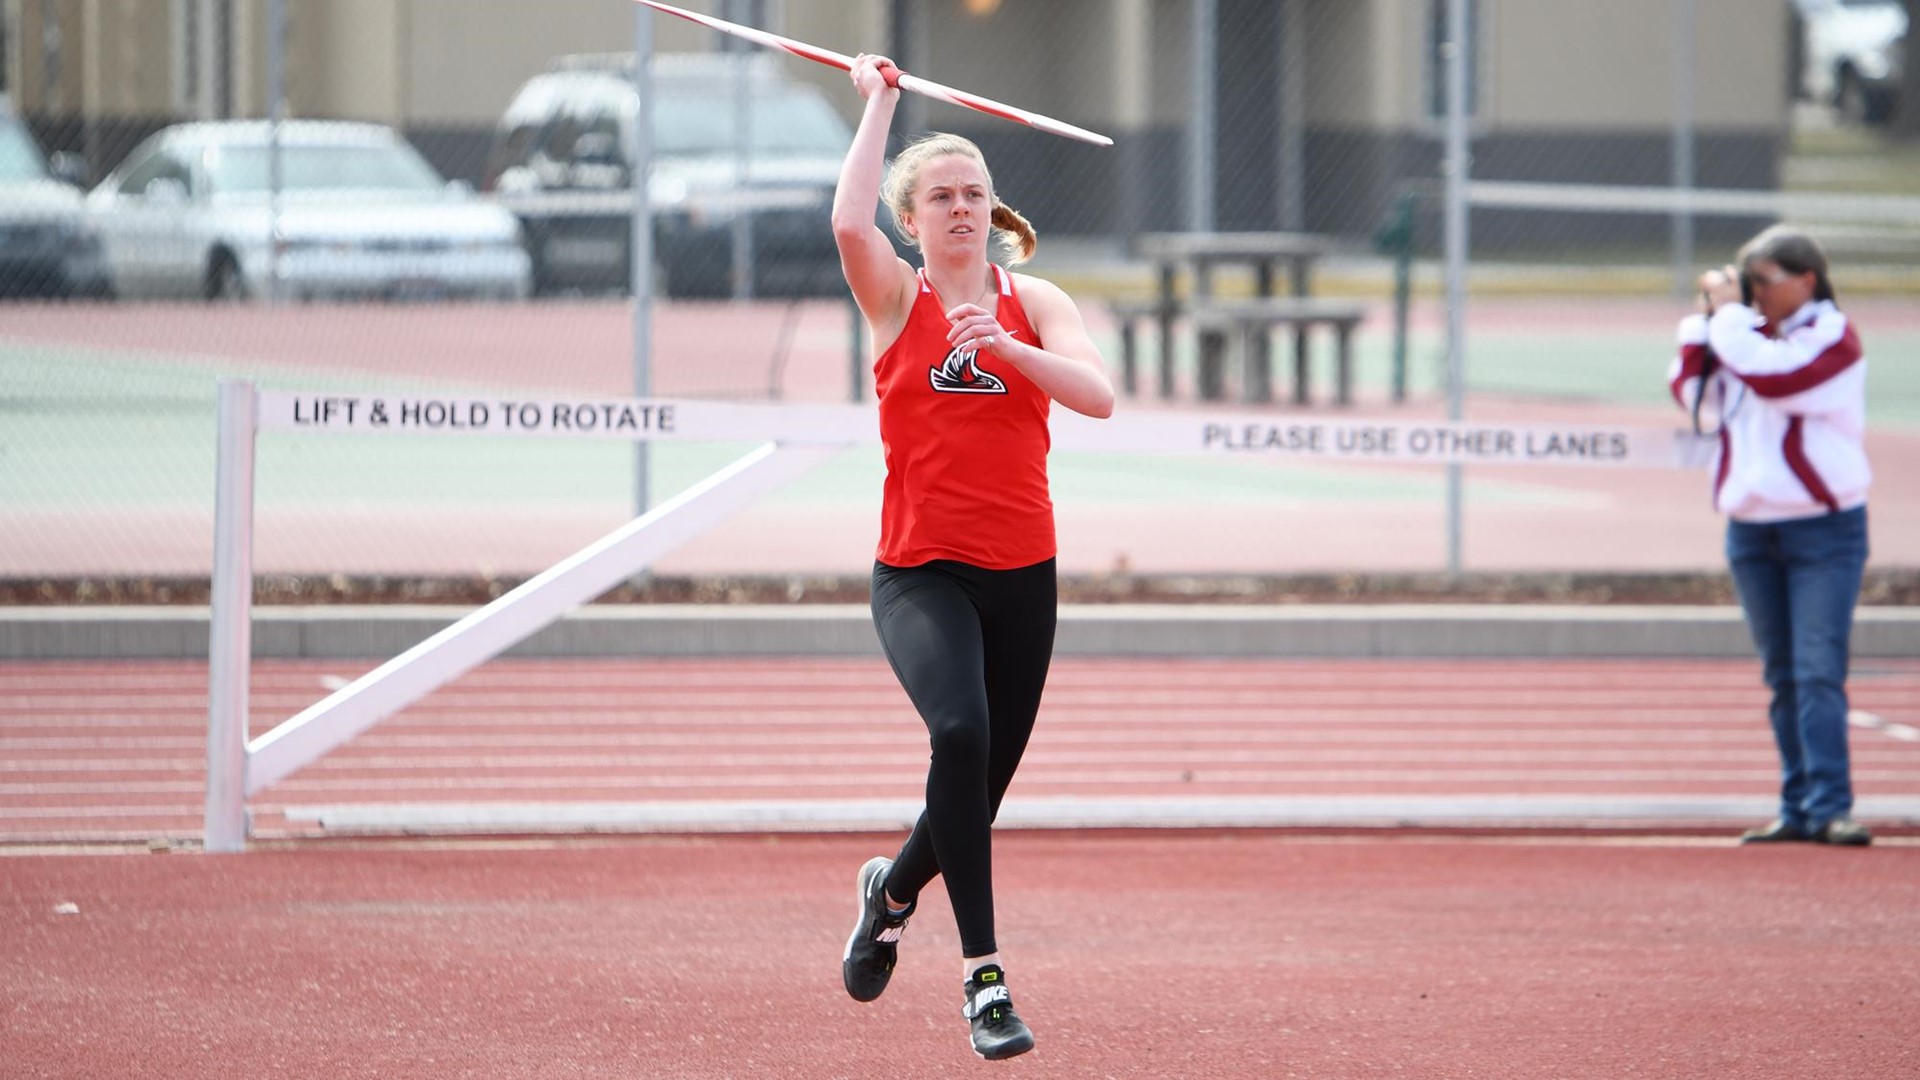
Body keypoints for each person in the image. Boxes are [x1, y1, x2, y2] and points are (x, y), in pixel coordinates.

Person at [830, 53, 1114, 1060]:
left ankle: (892, 891)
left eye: (975, 195)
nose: (960, 208)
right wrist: (881, 105)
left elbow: (1097, 395)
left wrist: (1007, 349)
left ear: (996, 211)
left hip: (1021, 579)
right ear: (916, 218)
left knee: (974, 794)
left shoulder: (1033, 302)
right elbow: (845, 224)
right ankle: (984, 982)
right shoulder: (893, 298)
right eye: (942, 196)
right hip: (921, 572)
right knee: (959, 733)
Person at [1669, 225, 1872, 847]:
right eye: (1746, 281)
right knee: (1782, 675)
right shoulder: (1742, 337)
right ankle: (1797, 804)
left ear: (1806, 279)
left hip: (1822, 530)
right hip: (1752, 530)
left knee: (1817, 670)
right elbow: (1697, 403)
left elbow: (1779, 382)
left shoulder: (1831, 336)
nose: (1755, 293)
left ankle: (1831, 805)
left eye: (1765, 281)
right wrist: (1705, 325)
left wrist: (1728, 320)